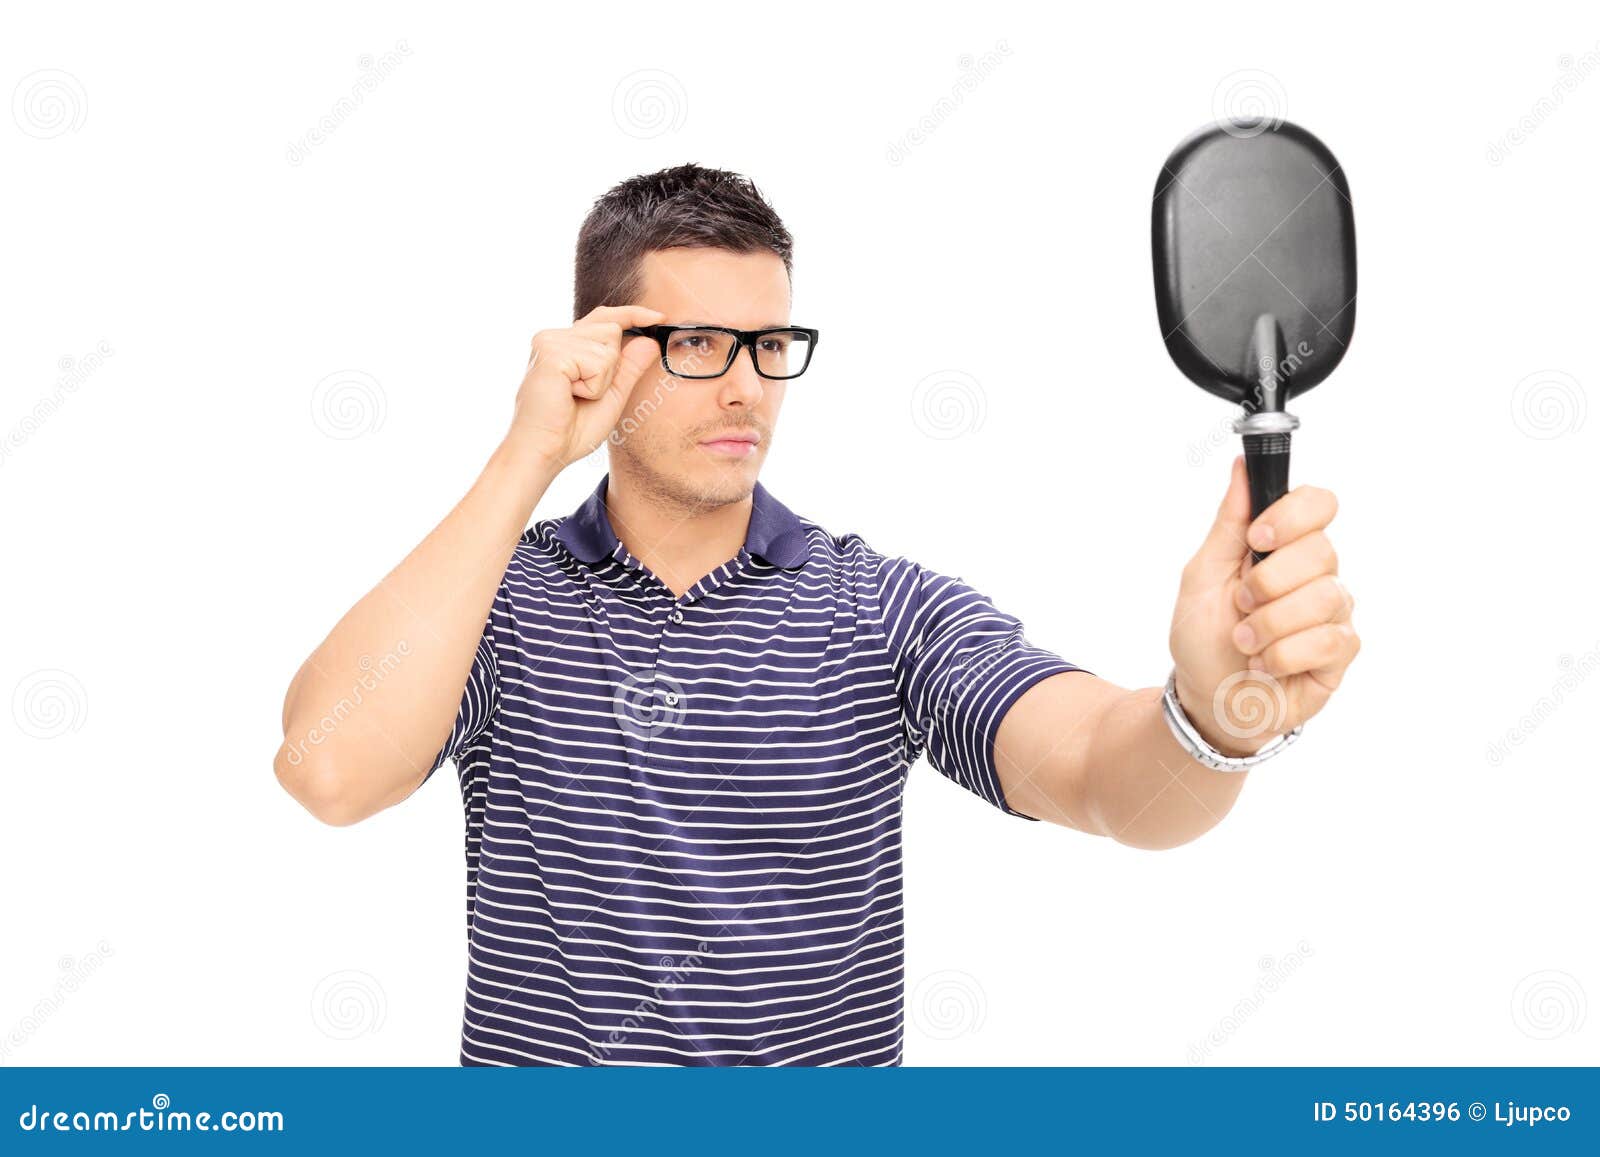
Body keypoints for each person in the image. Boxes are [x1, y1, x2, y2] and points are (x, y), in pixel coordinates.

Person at [273, 162, 1360, 1066]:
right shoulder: (492, 604)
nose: (747, 388)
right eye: (699, 344)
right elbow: (328, 770)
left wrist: (1211, 715)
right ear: (600, 351)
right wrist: (528, 451)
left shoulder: (876, 609)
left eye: (769, 344)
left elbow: (1103, 779)